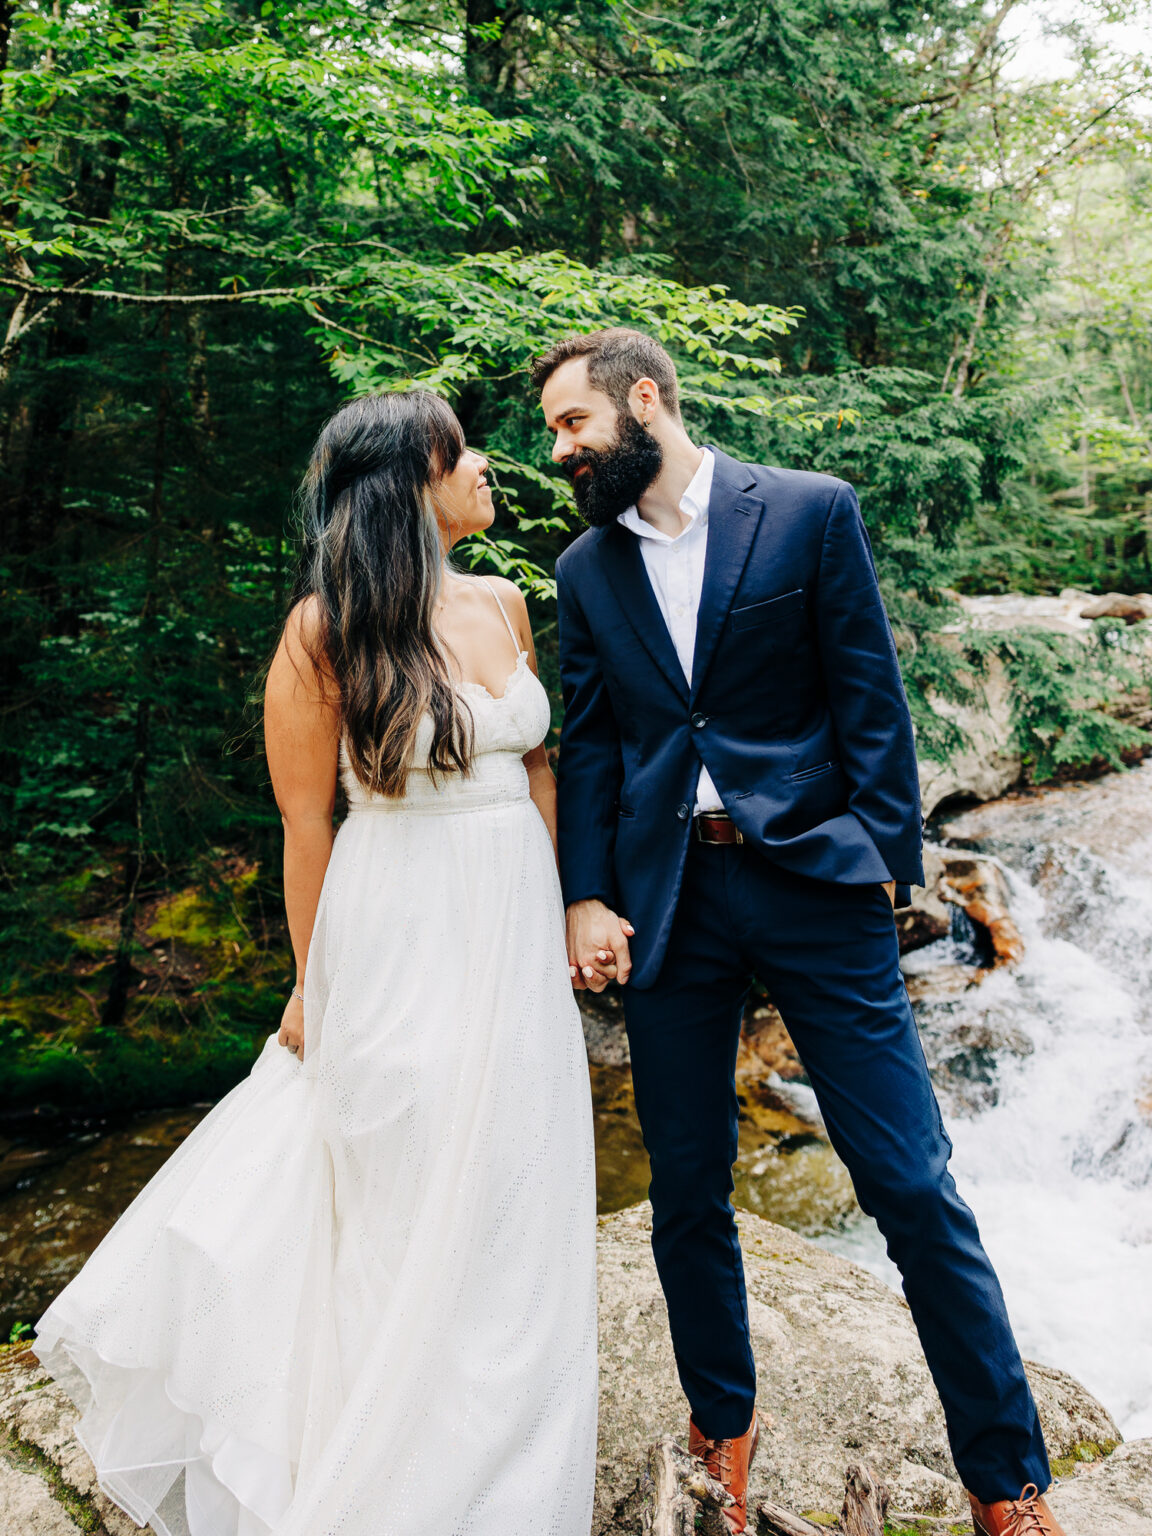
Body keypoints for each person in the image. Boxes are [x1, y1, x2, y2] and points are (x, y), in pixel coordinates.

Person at [33, 390, 598, 1536]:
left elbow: (539, 768)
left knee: (519, 1179)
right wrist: (313, 980)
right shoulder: (323, 630)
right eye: (460, 450)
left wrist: (554, 913)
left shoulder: (504, 601)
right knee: (401, 1182)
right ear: (410, 478)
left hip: (514, 933)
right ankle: (390, 1468)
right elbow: (306, 825)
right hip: (398, 929)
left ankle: (515, 1472)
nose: (485, 464)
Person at [533, 327, 1064, 1536]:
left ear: (645, 399)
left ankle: (1007, 1482)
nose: (560, 449)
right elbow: (597, 739)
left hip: (816, 890)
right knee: (686, 1189)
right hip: (668, 901)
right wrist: (586, 894)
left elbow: (868, 693)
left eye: (573, 423)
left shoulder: (809, 511)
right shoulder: (585, 570)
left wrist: (883, 869)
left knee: (911, 1183)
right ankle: (723, 1429)